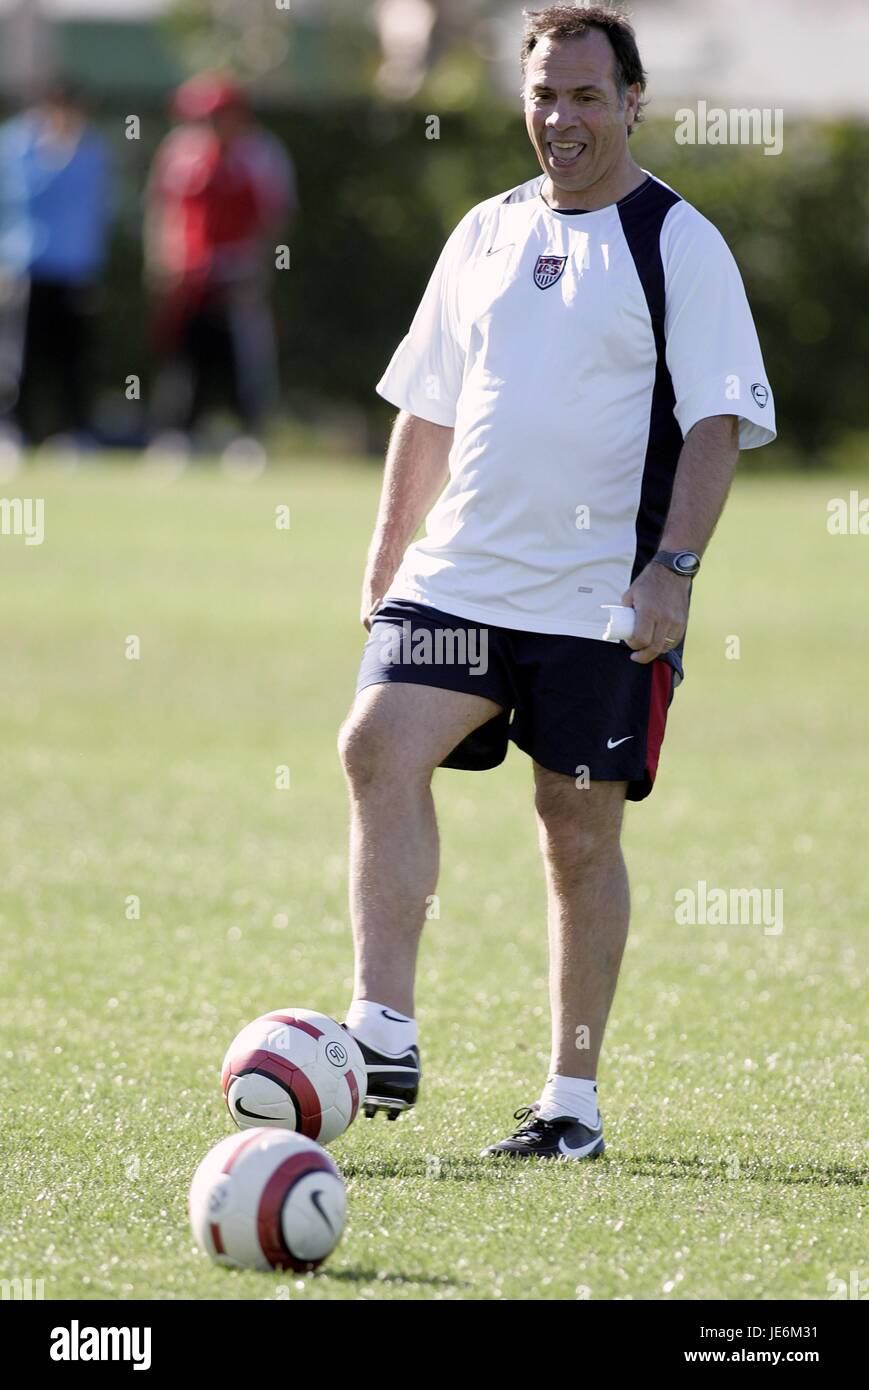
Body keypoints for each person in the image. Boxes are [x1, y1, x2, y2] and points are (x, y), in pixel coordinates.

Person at [338, 5, 776, 1158]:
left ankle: (567, 1106)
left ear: (631, 103)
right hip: (460, 579)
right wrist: (387, 564)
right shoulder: (482, 231)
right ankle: (382, 1027)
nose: (561, 117)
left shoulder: (675, 240)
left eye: (586, 95)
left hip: (597, 599)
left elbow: (717, 420)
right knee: (374, 745)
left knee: (571, 832)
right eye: (544, 94)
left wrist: (670, 572)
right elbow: (424, 408)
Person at [145, 73, 297, 448]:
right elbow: (162, 209)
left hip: (238, 271)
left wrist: (259, 270)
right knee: (182, 354)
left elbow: (276, 217)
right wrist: (161, 263)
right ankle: (177, 434)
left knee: (246, 356)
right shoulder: (178, 151)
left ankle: (249, 435)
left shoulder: (261, 154)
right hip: (189, 271)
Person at [0, 79, 110, 448]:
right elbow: (21, 196)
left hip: (74, 270)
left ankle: (74, 433)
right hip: (26, 266)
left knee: (72, 356)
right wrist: (52, 157)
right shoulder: (16, 144)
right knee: (19, 355)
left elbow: (94, 210)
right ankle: (13, 429)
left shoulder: (92, 147)